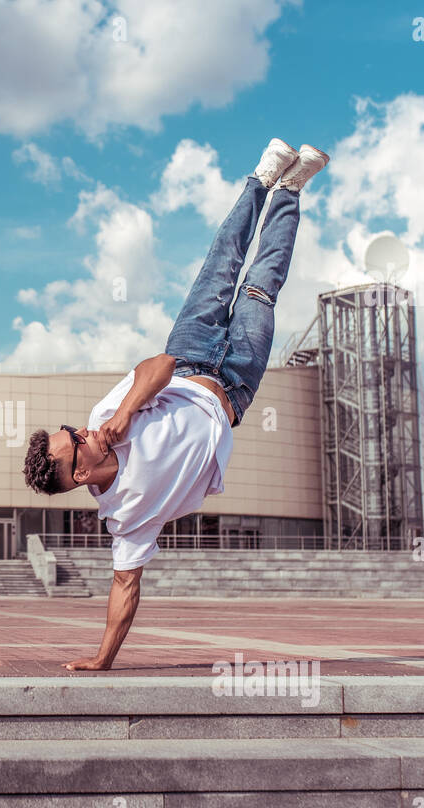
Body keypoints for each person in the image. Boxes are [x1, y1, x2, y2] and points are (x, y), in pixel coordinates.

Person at [21, 139, 329, 671]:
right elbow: (124, 589)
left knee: (222, 263)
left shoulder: (103, 420)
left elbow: (159, 365)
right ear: (76, 474)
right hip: (234, 386)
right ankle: (291, 192)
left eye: (71, 429)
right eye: (74, 442)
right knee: (260, 286)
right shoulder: (126, 517)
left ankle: (261, 178)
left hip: (189, 355)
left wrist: (122, 417)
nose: (81, 432)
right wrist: (103, 660)